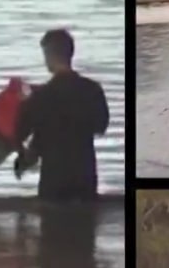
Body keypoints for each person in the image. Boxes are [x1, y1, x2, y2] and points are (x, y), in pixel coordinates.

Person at [14, 28, 110, 202]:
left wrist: (21, 105)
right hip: (85, 176)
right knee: (85, 217)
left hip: (54, 179)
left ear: (48, 55)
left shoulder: (40, 96)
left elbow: (19, 133)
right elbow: (101, 127)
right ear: (70, 53)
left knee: (51, 217)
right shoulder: (92, 89)